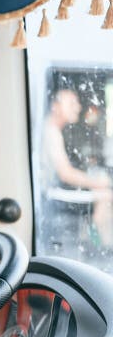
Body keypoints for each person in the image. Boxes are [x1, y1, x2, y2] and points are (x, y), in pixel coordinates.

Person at [41, 88, 113, 247]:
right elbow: (66, 174)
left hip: (54, 191)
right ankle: (103, 248)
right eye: (72, 103)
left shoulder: (52, 129)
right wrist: (99, 183)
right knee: (106, 196)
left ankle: (96, 241)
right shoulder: (51, 131)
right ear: (55, 107)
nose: (78, 107)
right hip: (52, 195)